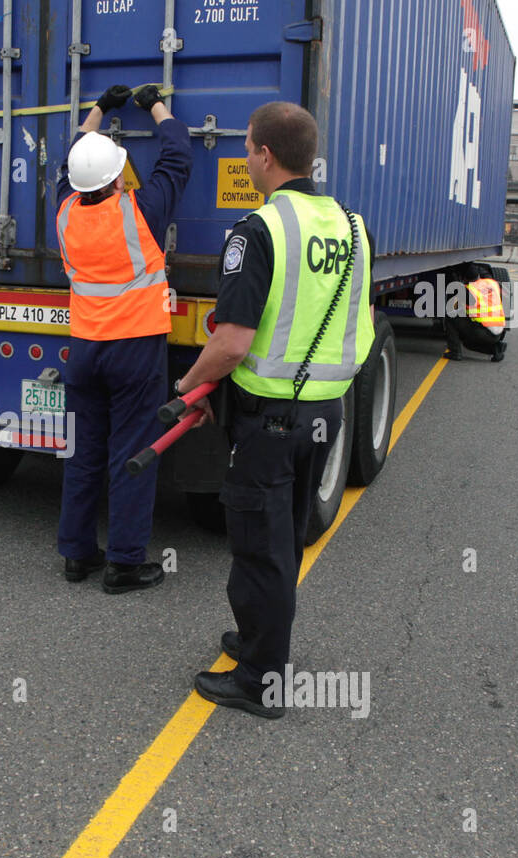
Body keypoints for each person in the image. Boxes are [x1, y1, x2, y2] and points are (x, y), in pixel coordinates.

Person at [176, 102, 375, 718]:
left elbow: (233, 341)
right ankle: (260, 640)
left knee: (260, 550)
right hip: (325, 412)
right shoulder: (351, 225)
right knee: (284, 538)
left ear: (264, 154)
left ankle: (262, 681)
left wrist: (189, 385)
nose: (242, 155)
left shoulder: (258, 230)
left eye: (245, 145)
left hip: (271, 421)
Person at [54, 84, 193, 594]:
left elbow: (71, 162)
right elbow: (178, 154)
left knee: (85, 451)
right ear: (119, 177)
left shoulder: (64, 212)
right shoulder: (142, 211)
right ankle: (125, 565)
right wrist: (153, 104)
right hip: (134, 349)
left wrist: (100, 109)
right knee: (133, 451)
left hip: (85, 348)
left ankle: (77, 555)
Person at [443, 267, 507, 361]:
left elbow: (454, 307)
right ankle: (496, 349)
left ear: (465, 279)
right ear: (478, 276)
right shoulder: (492, 283)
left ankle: (455, 352)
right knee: (468, 344)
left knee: (451, 317)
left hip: (485, 332)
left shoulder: (468, 290)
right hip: (499, 331)